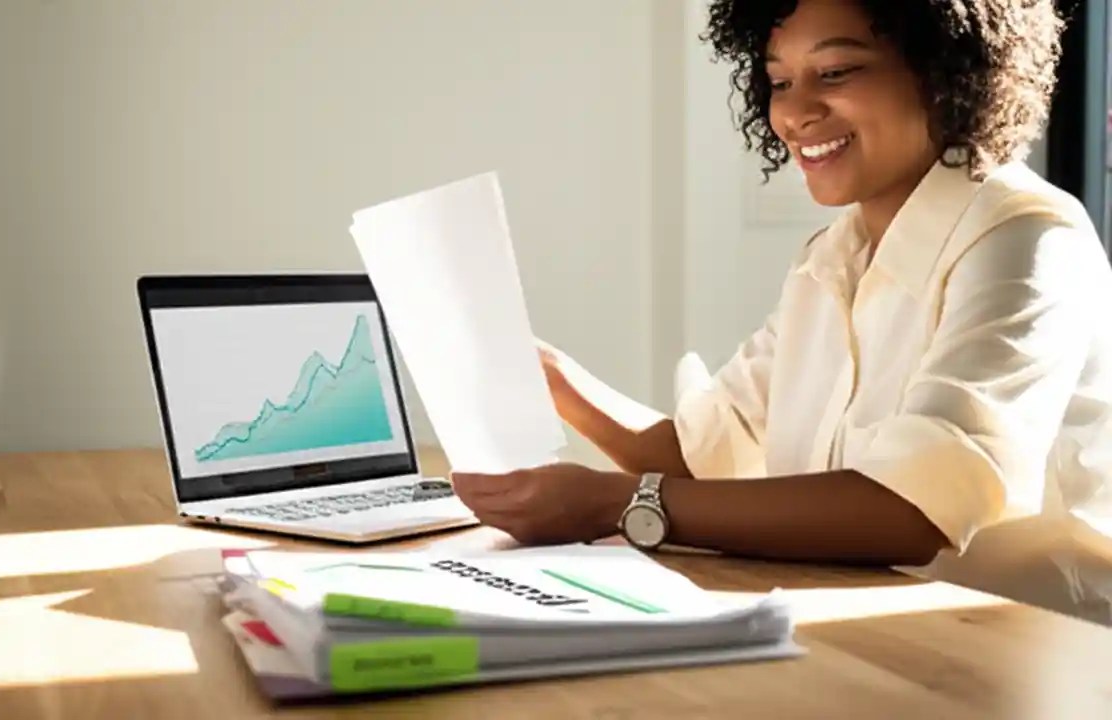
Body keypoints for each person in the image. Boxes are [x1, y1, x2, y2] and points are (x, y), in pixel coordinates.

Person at [449, 0, 1112, 625]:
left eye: (835, 71)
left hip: (1035, 649)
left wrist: (612, 504)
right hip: (878, 637)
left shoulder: (1025, 237)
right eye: (778, 81)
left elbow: (912, 509)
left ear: (945, 69)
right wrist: (554, 378)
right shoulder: (831, 259)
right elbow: (697, 452)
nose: (793, 113)